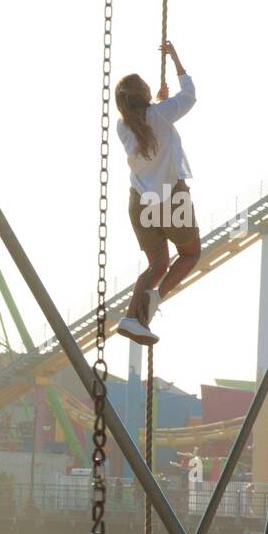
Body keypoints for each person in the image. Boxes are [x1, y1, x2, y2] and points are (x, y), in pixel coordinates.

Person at [114, 41, 199, 346]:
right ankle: (154, 301)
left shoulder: (123, 127)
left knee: (157, 265)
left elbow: (149, 124)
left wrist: (158, 103)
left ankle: (131, 317)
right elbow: (189, 96)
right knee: (190, 254)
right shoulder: (161, 115)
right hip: (170, 199)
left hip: (139, 202)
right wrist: (177, 59)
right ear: (145, 95)